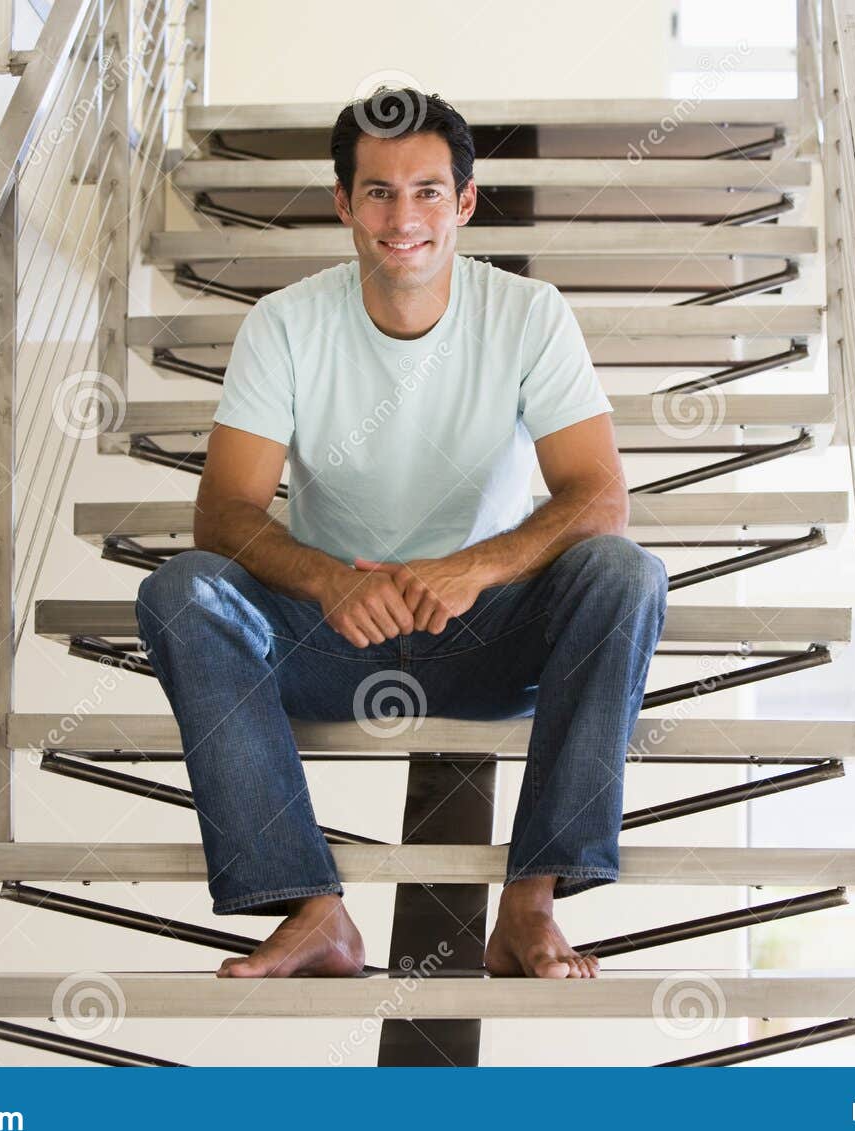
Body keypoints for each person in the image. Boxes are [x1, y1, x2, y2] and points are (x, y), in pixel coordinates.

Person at [134, 88, 668, 981]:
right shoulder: (286, 324)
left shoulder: (528, 315)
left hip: (491, 630)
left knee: (624, 573)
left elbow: (599, 495)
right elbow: (223, 512)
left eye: (427, 192)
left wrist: (472, 568)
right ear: (344, 204)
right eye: (378, 192)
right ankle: (314, 910)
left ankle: (529, 905)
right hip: (332, 634)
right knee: (178, 590)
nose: (402, 216)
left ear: (463, 203)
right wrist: (327, 580)